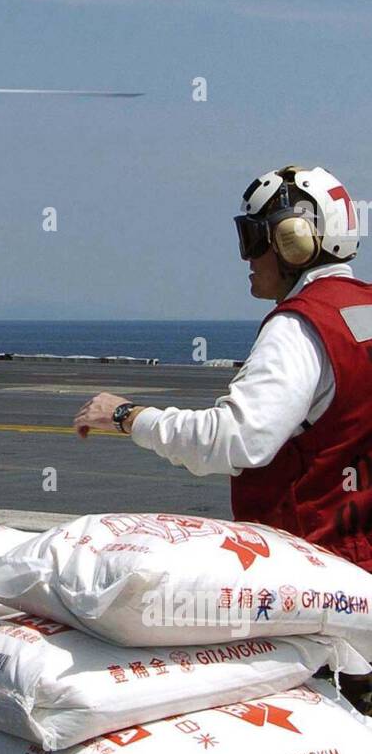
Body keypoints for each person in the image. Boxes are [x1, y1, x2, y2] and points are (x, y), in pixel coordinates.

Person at [74, 165, 372, 709]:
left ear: (294, 241)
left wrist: (128, 416)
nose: (248, 258)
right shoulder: (364, 311)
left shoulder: (300, 327)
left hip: (314, 591)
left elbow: (234, 440)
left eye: (253, 239)